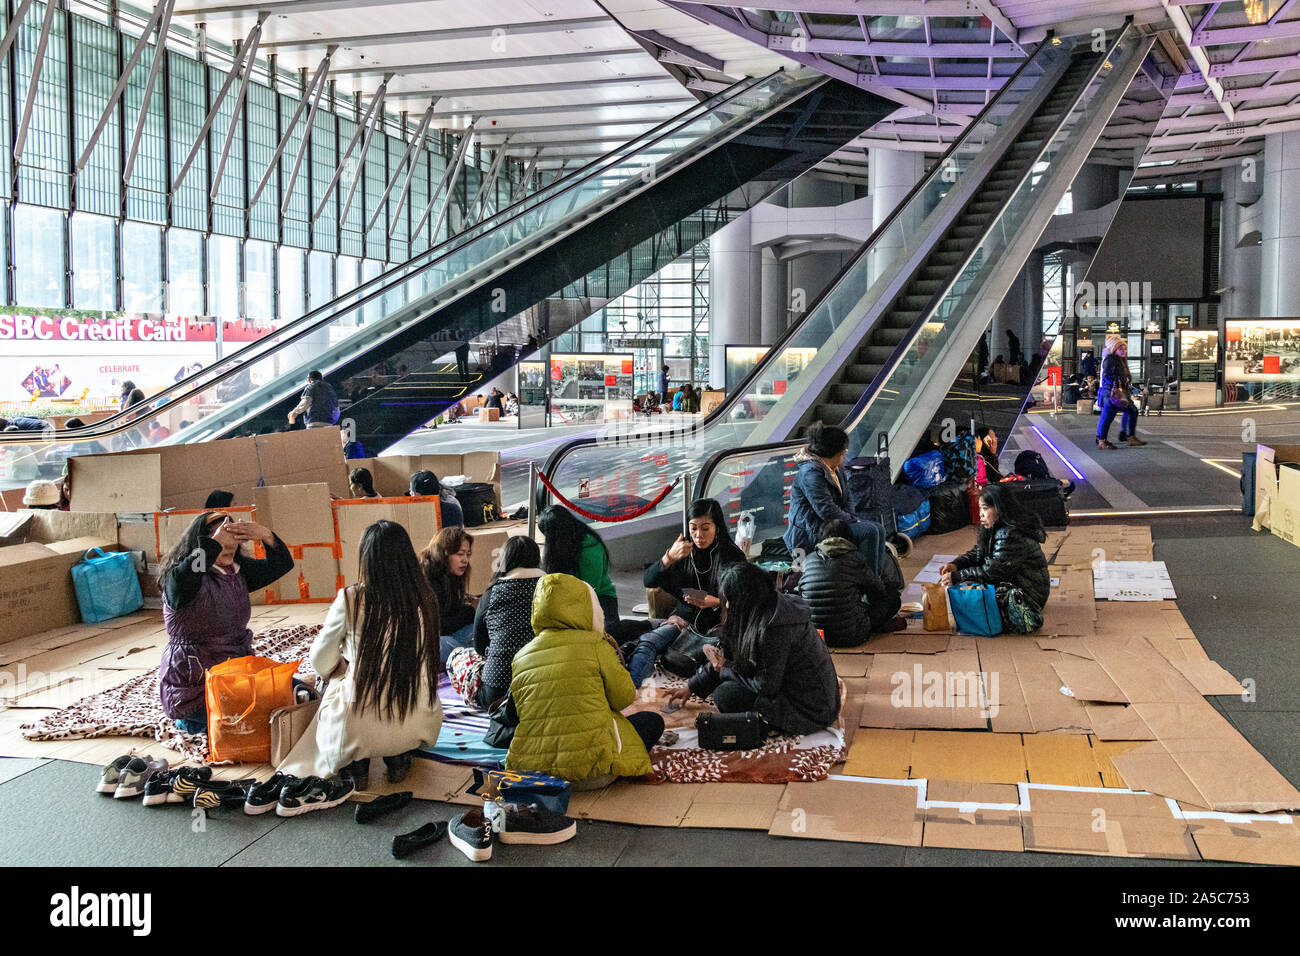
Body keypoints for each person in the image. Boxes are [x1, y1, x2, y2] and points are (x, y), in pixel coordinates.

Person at [277, 521, 442, 787]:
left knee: (340, 681)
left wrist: (341, 667)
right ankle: (398, 755)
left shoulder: (351, 599)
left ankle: (356, 766)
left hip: (357, 725)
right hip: (419, 720)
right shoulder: (425, 598)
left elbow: (320, 661)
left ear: (366, 558)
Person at [506, 572, 662, 786]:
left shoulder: (522, 656)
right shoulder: (596, 644)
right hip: (597, 775)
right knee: (652, 721)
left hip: (537, 776)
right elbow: (624, 698)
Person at [157, 513, 294, 732]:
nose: (228, 547)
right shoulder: (181, 578)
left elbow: (281, 565)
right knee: (261, 718)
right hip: (196, 685)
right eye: (220, 542)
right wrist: (214, 544)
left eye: (233, 542)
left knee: (296, 694)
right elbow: (194, 568)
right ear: (203, 543)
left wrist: (267, 536)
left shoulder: (237, 572)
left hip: (236, 672)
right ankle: (189, 721)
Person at [668, 562, 841, 735]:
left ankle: (771, 726)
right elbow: (728, 653)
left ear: (744, 599)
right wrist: (691, 686)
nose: (726, 606)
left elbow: (766, 686)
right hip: (797, 692)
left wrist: (724, 667)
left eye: (728, 600)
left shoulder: (775, 627)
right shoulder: (764, 607)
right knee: (730, 681)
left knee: (725, 695)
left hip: (811, 711)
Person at [633, 498, 746, 688]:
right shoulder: (684, 550)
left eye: (705, 528)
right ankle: (630, 689)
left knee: (717, 662)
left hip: (717, 628)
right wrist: (668, 558)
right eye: (693, 528)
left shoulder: (731, 555)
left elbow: (746, 601)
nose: (698, 535)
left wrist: (717, 602)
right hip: (683, 623)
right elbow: (649, 581)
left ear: (717, 527)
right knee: (647, 642)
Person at [938, 483, 1049, 634]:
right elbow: (979, 552)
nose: (981, 514)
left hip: (1029, 596)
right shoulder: (996, 527)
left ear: (999, 508)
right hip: (1017, 584)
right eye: (980, 508)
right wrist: (957, 564)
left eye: (985, 508)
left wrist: (957, 577)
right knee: (970, 589)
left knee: (972, 597)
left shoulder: (1011, 534)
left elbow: (992, 572)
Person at [449, 536, 544, 709]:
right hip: (545, 685)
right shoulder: (553, 588)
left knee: (457, 657)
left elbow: (479, 646)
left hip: (498, 691)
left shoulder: (492, 594)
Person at [784, 421, 887, 577]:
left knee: (878, 528)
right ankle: (867, 585)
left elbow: (848, 498)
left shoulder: (834, 467)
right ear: (838, 452)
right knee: (869, 531)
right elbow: (825, 509)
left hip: (833, 524)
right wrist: (852, 521)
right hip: (812, 531)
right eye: (844, 451)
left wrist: (852, 518)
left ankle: (875, 580)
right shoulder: (811, 472)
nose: (845, 454)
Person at [799, 519, 903, 647]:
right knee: (893, 599)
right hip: (852, 635)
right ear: (849, 537)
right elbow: (878, 592)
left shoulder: (809, 560)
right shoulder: (855, 558)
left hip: (817, 636)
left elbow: (801, 592)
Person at [537, 505, 619, 626]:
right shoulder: (560, 547)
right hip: (571, 602)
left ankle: (645, 625)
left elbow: (591, 588)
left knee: (608, 634)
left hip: (599, 598)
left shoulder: (590, 545)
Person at [419, 526, 477, 665]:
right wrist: (472, 610)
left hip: (450, 635)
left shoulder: (451, 574)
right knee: (444, 645)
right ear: (444, 553)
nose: (465, 560)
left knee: (481, 629)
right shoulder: (427, 575)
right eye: (459, 554)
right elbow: (439, 626)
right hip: (430, 640)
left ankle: (467, 656)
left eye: (468, 554)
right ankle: (470, 657)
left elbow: (451, 613)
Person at [1096, 335, 1147, 450]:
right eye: (1120, 349)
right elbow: (1106, 376)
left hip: (1119, 392)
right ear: (1114, 349)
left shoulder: (1120, 360)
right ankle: (1102, 441)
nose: (1124, 351)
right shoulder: (1110, 359)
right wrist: (1115, 385)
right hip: (1112, 393)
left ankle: (1130, 437)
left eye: (1124, 348)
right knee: (1109, 416)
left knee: (1132, 411)